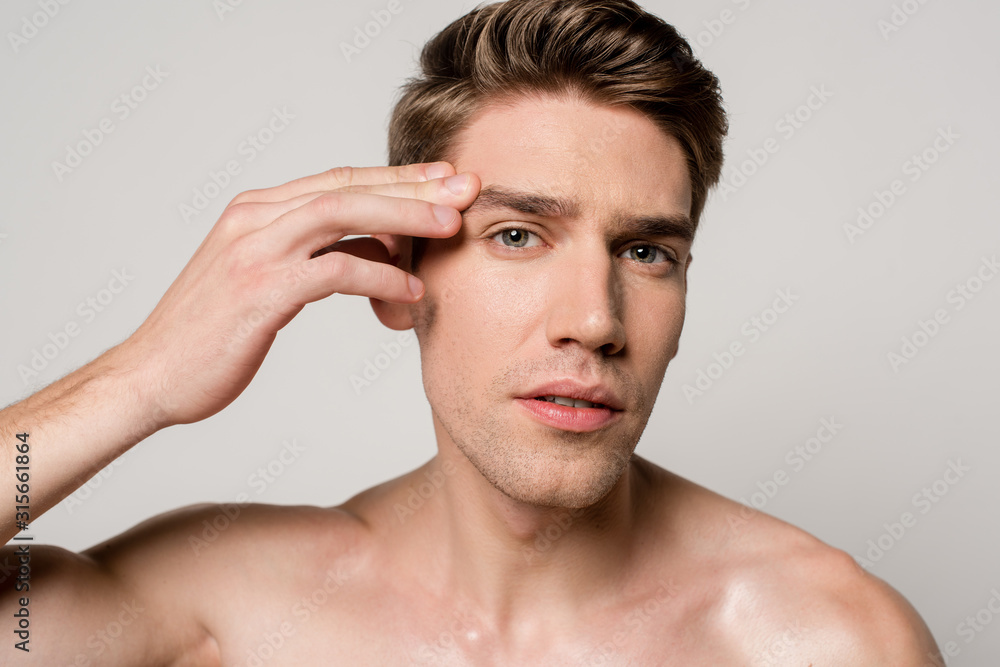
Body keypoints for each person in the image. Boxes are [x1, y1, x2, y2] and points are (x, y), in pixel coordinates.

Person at [1, 0, 941, 663]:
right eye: (518, 234)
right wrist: (141, 379)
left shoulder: (827, 641)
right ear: (402, 276)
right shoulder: (233, 611)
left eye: (647, 252)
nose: (594, 319)